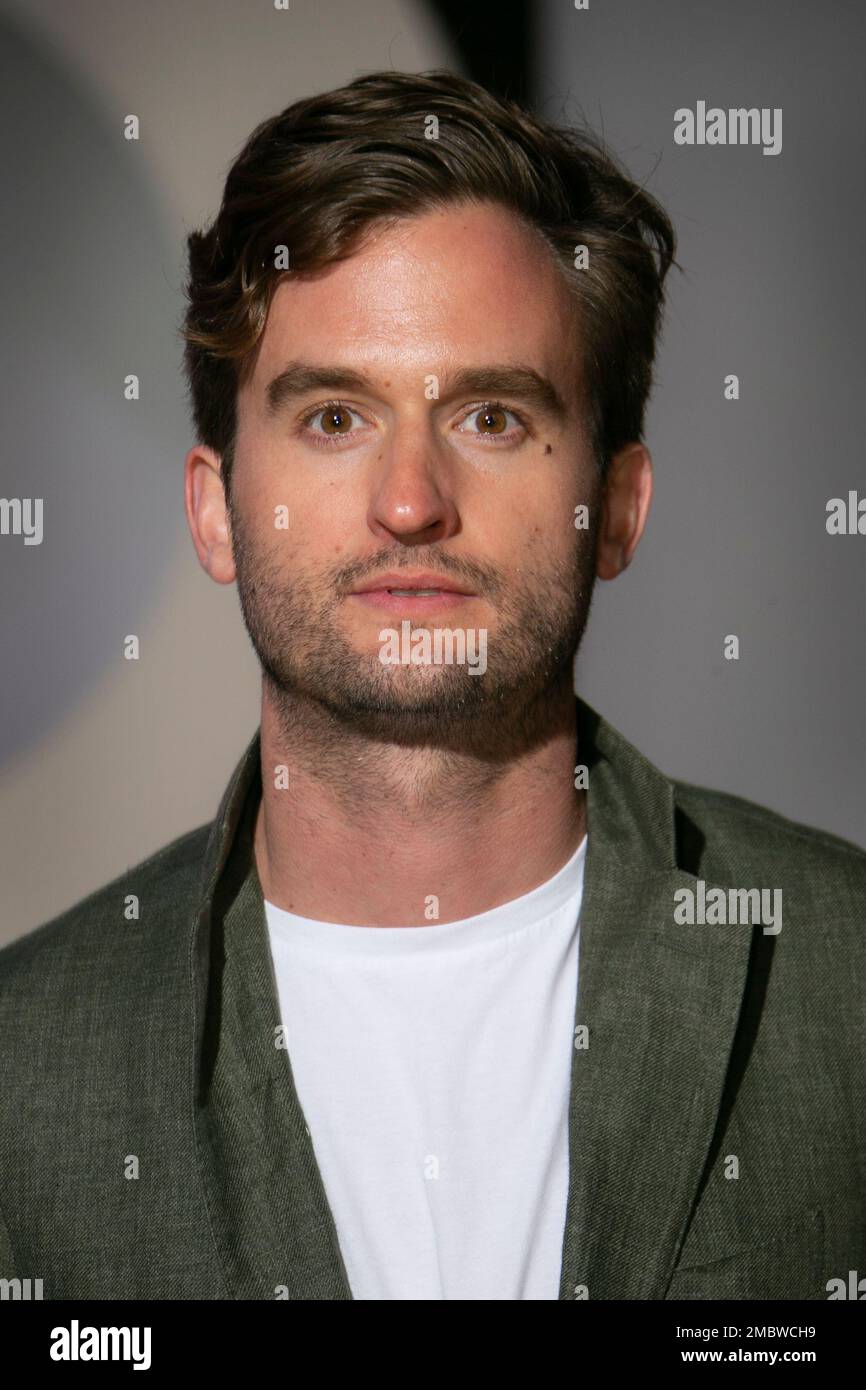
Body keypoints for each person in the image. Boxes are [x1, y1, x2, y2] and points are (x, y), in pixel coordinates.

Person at [1, 69, 863, 1303]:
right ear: (216, 512)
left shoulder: (846, 981)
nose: (410, 501)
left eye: (493, 418)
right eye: (334, 417)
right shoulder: (21, 1076)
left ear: (614, 509)